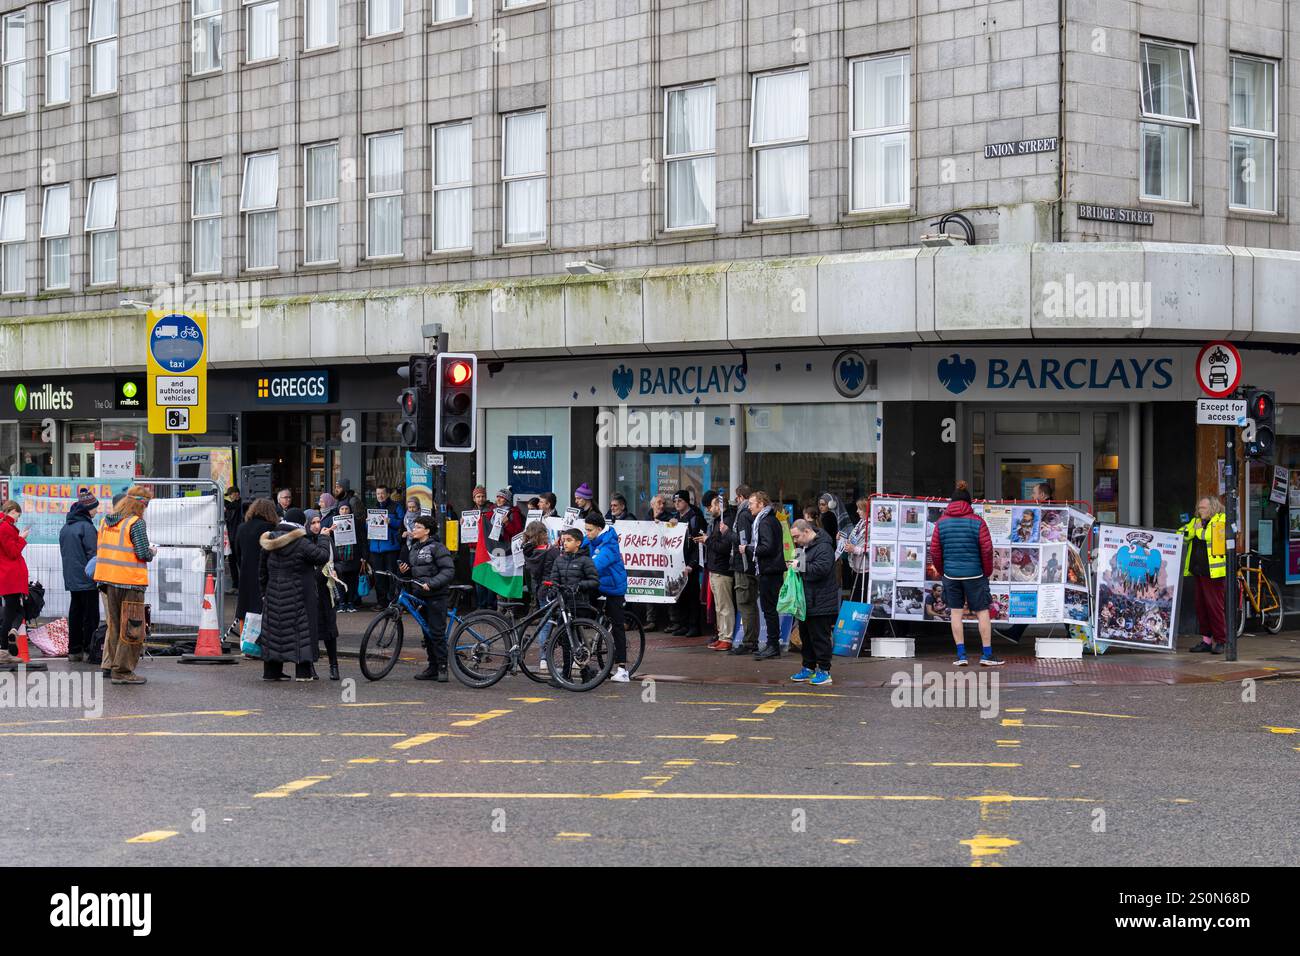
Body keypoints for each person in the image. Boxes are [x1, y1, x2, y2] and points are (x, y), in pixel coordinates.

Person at [930, 481, 1001, 667]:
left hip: (951, 575)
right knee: (982, 612)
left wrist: (943, 570)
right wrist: (986, 571)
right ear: (970, 504)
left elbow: (935, 552)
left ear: (951, 503)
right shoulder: (978, 522)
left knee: (955, 613)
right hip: (975, 574)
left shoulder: (941, 523)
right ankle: (987, 655)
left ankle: (961, 655)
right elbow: (987, 550)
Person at [92, 486, 158, 685]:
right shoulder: (135, 523)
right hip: (130, 582)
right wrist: (151, 552)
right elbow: (141, 553)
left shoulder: (105, 522)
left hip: (107, 580)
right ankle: (122, 671)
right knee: (132, 628)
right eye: (146, 505)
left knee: (114, 626)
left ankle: (111, 664)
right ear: (141, 504)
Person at [258, 507, 330, 682]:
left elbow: (262, 571)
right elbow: (322, 557)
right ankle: (303, 672)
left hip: (274, 594)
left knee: (274, 632)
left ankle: (272, 671)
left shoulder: (269, 541)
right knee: (301, 632)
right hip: (299, 595)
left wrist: (264, 592)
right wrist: (323, 538)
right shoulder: (301, 543)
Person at [399, 515, 455, 681]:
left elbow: (448, 570)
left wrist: (432, 584)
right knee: (427, 632)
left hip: (436, 595)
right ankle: (432, 667)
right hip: (420, 596)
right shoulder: (415, 548)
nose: (414, 530)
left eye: (418, 527)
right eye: (414, 527)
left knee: (437, 633)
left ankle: (443, 667)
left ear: (427, 531)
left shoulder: (438, 547)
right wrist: (406, 571)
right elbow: (418, 571)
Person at [788, 518, 837, 686]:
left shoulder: (825, 547)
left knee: (820, 638)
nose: (795, 541)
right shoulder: (803, 547)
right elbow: (802, 571)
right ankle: (808, 667)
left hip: (821, 601)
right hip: (806, 601)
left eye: (797, 537)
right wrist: (794, 566)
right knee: (806, 637)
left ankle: (824, 670)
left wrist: (799, 566)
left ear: (807, 532)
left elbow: (821, 570)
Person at [583, 512, 631, 681]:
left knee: (617, 625)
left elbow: (595, 565)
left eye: (589, 530)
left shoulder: (609, 544)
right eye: (585, 530)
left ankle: (622, 669)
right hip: (599, 584)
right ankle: (586, 634)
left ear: (599, 529)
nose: (586, 533)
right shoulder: (590, 538)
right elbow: (577, 544)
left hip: (614, 587)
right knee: (579, 604)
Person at [1182, 495, 1227, 654]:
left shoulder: (1221, 520)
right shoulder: (1196, 521)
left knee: (1214, 608)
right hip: (1198, 571)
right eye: (1199, 508)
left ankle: (1221, 641)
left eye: (1204, 508)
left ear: (1213, 507)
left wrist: (1197, 531)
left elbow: (1209, 536)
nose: (1200, 510)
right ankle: (1206, 641)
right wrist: (1193, 530)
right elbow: (1183, 533)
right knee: (1201, 608)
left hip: (1213, 574)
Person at [59, 489, 100, 663]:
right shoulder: (87, 527)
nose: (97, 511)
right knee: (90, 616)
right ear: (87, 509)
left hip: (71, 578)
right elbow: (93, 555)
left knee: (75, 613)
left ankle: (74, 650)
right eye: (95, 508)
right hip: (87, 579)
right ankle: (90, 649)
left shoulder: (66, 527)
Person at [750, 490, 786, 659]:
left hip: (769, 570)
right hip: (772, 569)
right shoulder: (771, 519)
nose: (749, 507)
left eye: (752, 503)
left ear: (761, 504)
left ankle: (773, 645)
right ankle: (772, 644)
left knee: (769, 609)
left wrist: (750, 549)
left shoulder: (764, 522)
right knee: (769, 608)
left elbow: (768, 547)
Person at [305, 513, 341, 680]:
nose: (317, 525)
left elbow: (337, 561)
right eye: (313, 522)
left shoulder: (327, 540)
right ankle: (310, 666)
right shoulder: (304, 541)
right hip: (310, 592)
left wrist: (335, 570)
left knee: (330, 630)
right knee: (310, 631)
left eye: (318, 522)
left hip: (326, 590)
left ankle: (334, 665)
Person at [234, 498, 278, 631]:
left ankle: (245, 642)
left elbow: (237, 553)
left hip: (246, 573)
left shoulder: (242, 527)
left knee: (245, 608)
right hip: (266, 574)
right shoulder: (271, 528)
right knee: (264, 610)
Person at [701, 490, 736, 651]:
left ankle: (726, 637)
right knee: (718, 606)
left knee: (724, 605)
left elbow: (724, 547)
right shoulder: (717, 521)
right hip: (715, 567)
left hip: (722, 568)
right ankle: (722, 634)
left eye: (710, 506)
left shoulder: (725, 521)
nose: (709, 510)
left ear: (718, 505)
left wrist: (708, 541)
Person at [667, 490, 705, 637]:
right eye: (675, 501)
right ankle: (682, 624)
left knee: (692, 596)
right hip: (677, 563)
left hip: (690, 564)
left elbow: (698, 544)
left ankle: (694, 626)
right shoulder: (675, 517)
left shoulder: (695, 518)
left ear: (686, 502)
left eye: (680, 501)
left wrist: (692, 564)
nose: (677, 504)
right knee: (680, 595)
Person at [728, 485, 758, 655]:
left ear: (740, 497)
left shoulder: (744, 514)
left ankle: (749, 642)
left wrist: (727, 533)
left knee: (745, 603)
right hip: (749, 564)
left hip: (743, 565)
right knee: (750, 603)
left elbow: (742, 540)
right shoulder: (750, 514)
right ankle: (751, 640)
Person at [0, 500, 31, 666]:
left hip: (9, 576)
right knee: (12, 612)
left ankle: (11, 633)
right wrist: (22, 539)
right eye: (17, 515)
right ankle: (4, 649)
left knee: (15, 610)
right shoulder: (5, 528)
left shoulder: (5, 527)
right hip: (10, 577)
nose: (18, 519)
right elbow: (12, 552)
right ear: (12, 511)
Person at [367, 485, 404, 609]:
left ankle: (392, 602)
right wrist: (367, 524)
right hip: (375, 548)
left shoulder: (396, 507)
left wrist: (391, 521)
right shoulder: (372, 508)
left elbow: (402, 523)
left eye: (382, 493)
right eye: (378, 494)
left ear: (387, 494)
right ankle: (381, 602)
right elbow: (368, 530)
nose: (380, 496)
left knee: (391, 576)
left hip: (391, 548)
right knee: (378, 577)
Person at [330, 502, 365, 612]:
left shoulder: (356, 522)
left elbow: (362, 539)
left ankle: (350, 603)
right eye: (342, 509)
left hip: (353, 556)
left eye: (346, 509)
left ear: (350, 510)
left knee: (352, 581)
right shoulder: (333, 522)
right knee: (340, 581)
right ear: (338, 511)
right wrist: (332, 530)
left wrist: (363, 556)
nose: (344, 511)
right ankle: (341, 603)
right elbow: (328, 539)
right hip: (339, 557)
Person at [223, 486, 243, 592]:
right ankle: (235, 585)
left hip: (238, 539)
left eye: (231, 494)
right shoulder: (230, 507)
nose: (230, 497)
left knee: (240, 562)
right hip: (231, 538)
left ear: (236, 494)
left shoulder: (241, 504)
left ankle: (242, 586)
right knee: (232, 563)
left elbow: (234, 506)